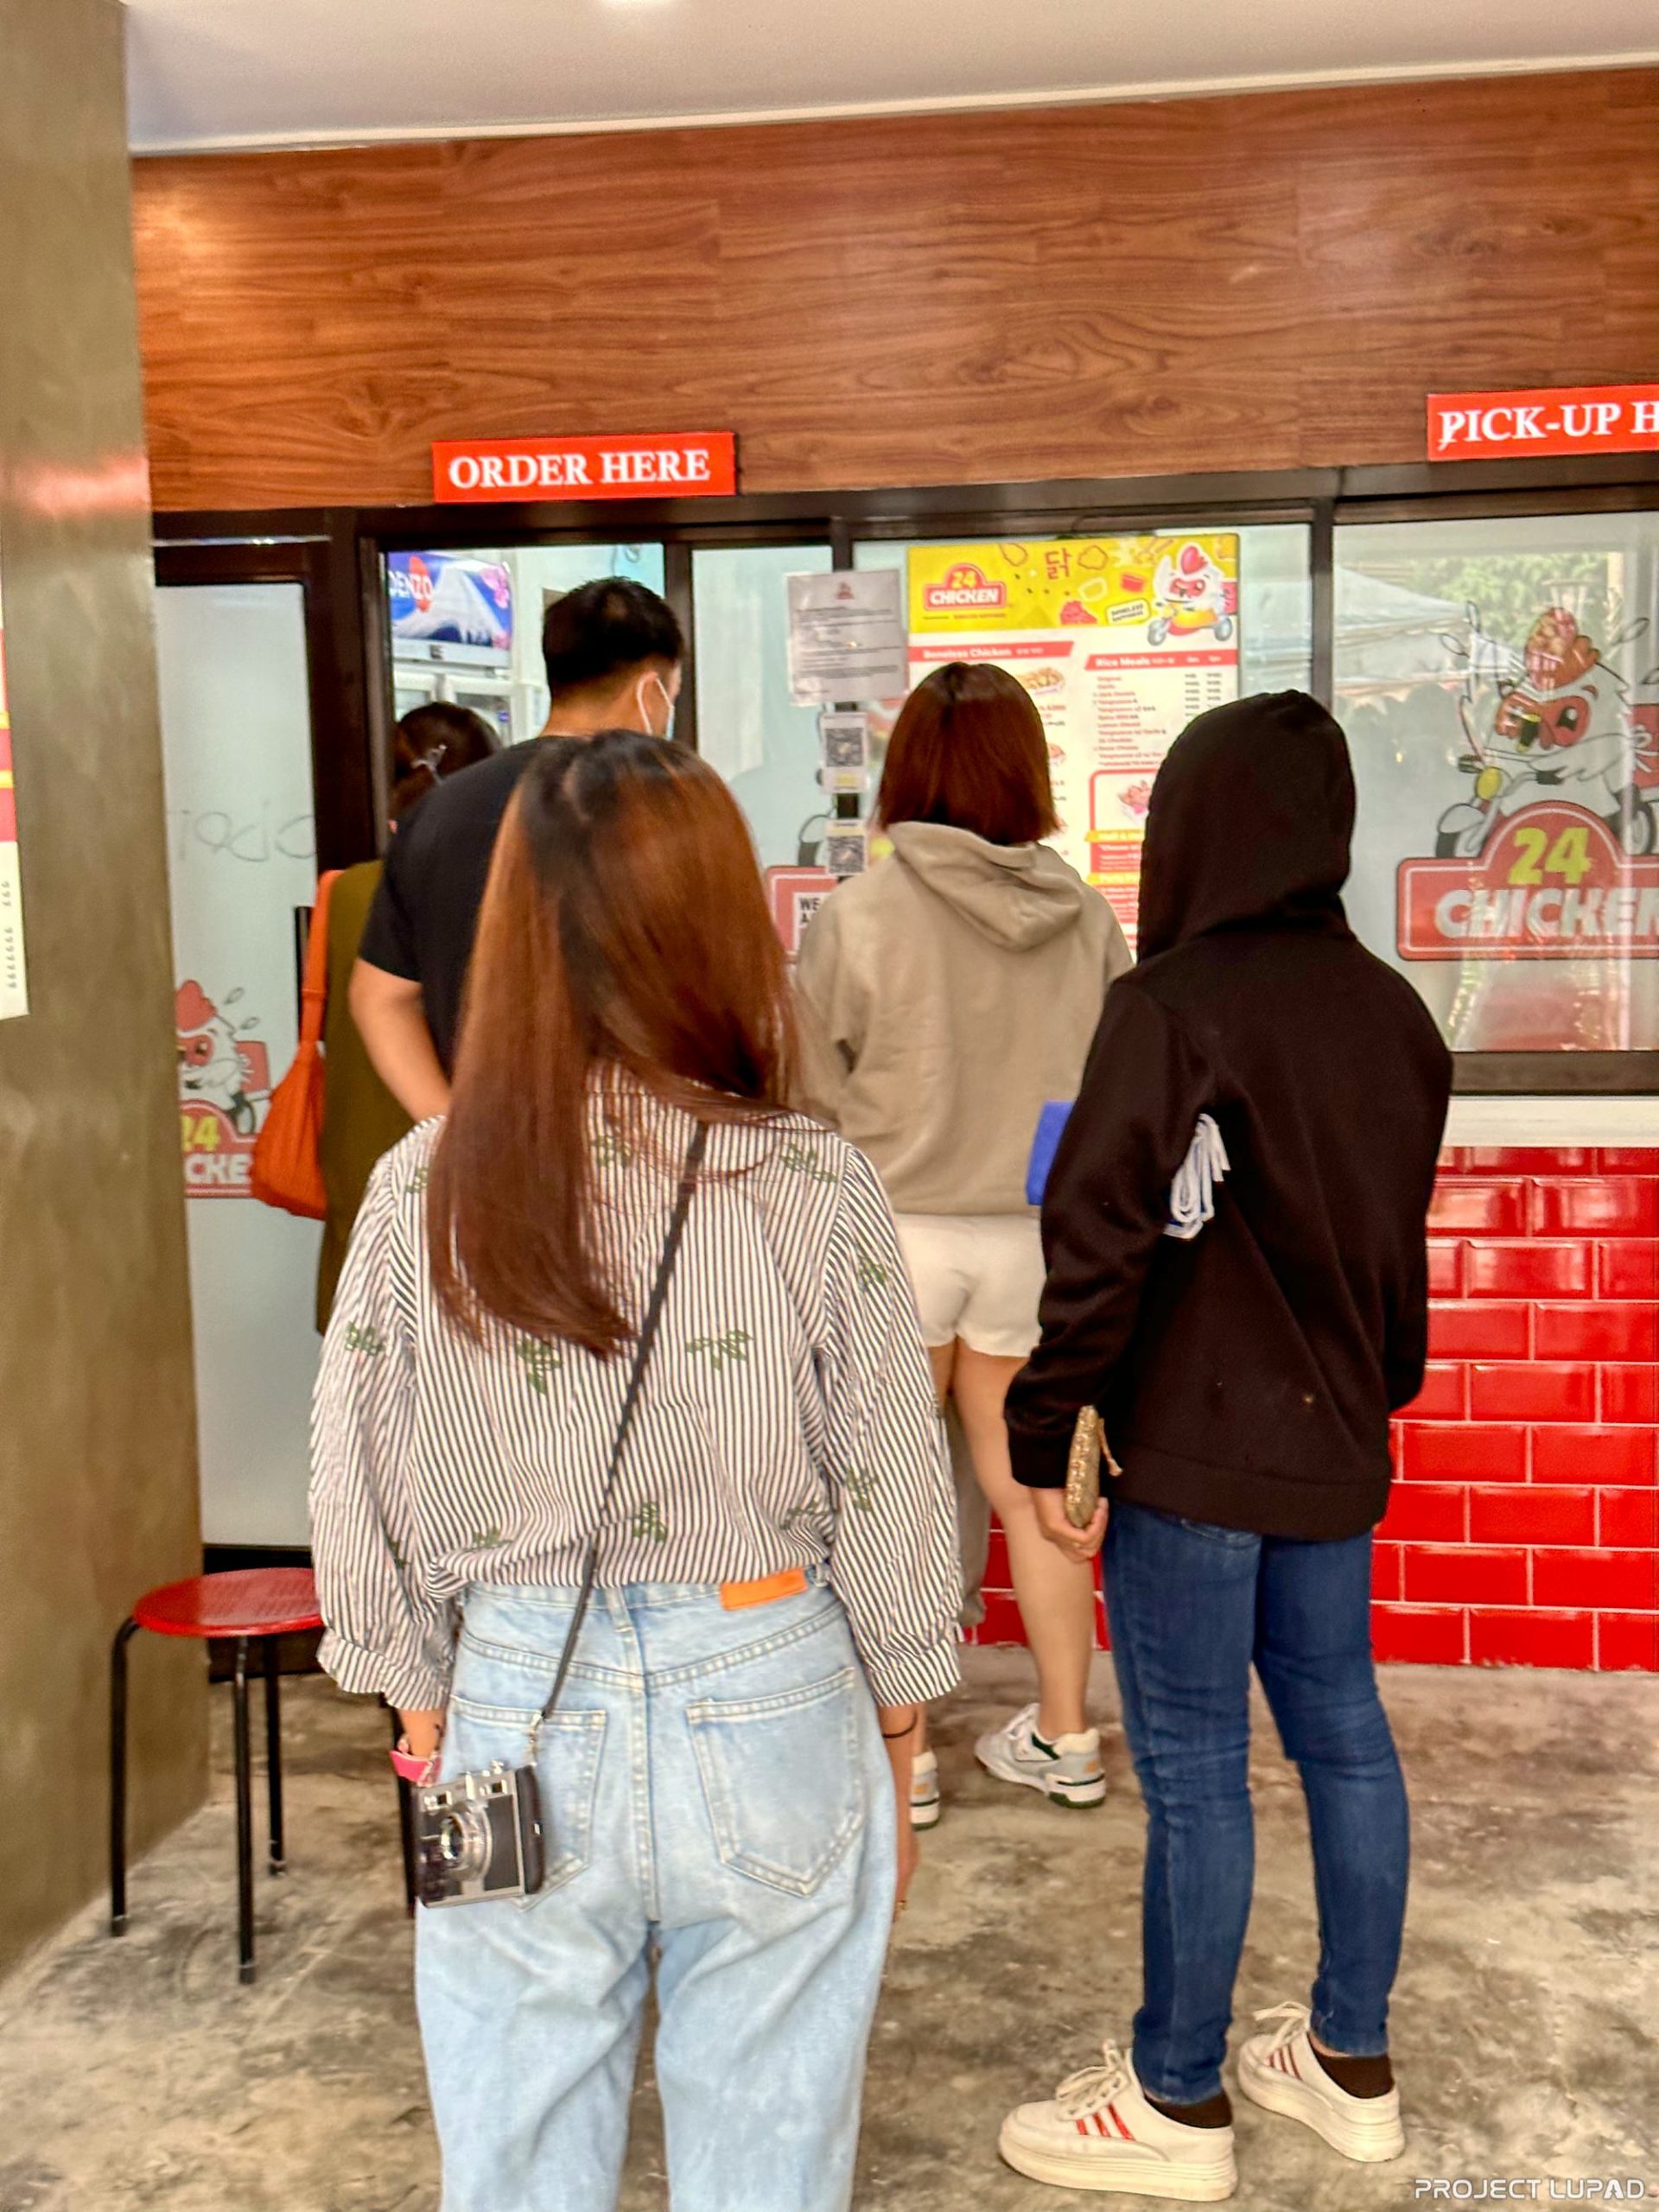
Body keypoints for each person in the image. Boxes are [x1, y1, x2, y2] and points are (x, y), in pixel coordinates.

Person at [311, 729, 960, 2212]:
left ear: (515, 935)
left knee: (518, 2153)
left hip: (511, 1703)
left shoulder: (429, 1181)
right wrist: (901, 1723)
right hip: (779, 1678)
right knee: (773, 2154)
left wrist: (423, 1704)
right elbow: (889, 1473)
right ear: (725, 924)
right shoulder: (809, 1175)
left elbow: (359, 1470)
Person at [997, 692, 1451, 2200]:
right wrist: (1377, 1385)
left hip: (1188, 1455)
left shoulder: (1173, 1003)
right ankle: (1348, 2063)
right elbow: (1394, 1251)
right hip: (1332, 1447)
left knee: (1195, 1773)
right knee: (1343, 1737)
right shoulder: (1396, 1015)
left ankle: (1179, 2099)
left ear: (1193, 825)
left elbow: (1099, 1234)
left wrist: (1051, 1416)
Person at [795, 661, 1129, 1829]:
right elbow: (1120, 1086)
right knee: (1035, 1486)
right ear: (1025, 773)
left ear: (907, 775)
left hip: (891, 1235)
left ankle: (912, 1758)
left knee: (889, 1496)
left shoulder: (861, 912)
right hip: (1036, 1245)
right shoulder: (1085, 914)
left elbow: (805, 1087)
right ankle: (1067, 1732)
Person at [352, 577, 684, 1119]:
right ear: (650, 690)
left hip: (493, 1146)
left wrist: (449, 1131)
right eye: (672, 697)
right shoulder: (666, 808)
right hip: (645, 1152)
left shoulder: (439, 809)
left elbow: (380, 997)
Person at [316, 702, 499, 1327]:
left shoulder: (346, 891)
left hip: (363, 1152)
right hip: (465, 1160)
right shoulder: (499, 889)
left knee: (369, 1363)